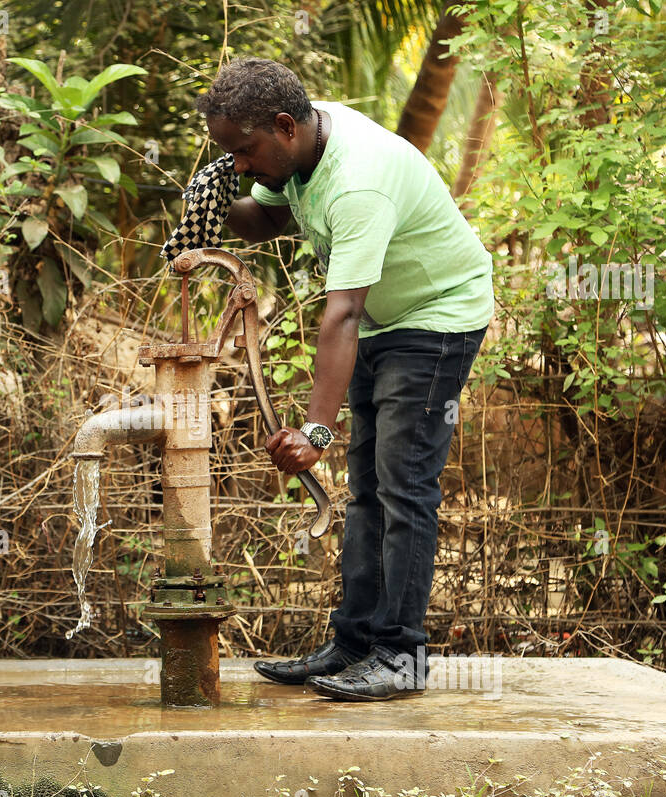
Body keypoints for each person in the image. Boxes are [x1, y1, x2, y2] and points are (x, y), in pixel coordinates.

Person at [196, 57, 493, 701]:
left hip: (437, 315)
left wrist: (314, 432)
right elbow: (269, 220)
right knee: (366, 491)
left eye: (244, 153)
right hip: (387, 318)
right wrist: (214, 202)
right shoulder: (303, 147)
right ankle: (355, 644)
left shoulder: (358, 181)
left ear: (283, 126)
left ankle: (400, 656)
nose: (240, 166)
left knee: (402, 484)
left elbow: (343, 313)